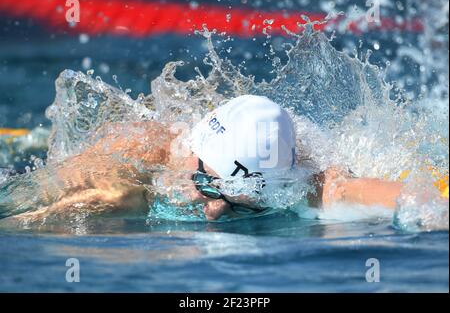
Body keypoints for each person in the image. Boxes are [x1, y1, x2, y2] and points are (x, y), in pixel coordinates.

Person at [1, 95, 404, 222]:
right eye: (208, 185)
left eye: (245, 203)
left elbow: (351, 190)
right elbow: (15, 205)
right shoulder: (128, 161)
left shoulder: (298, 174)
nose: (214, 212)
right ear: (192, 154)